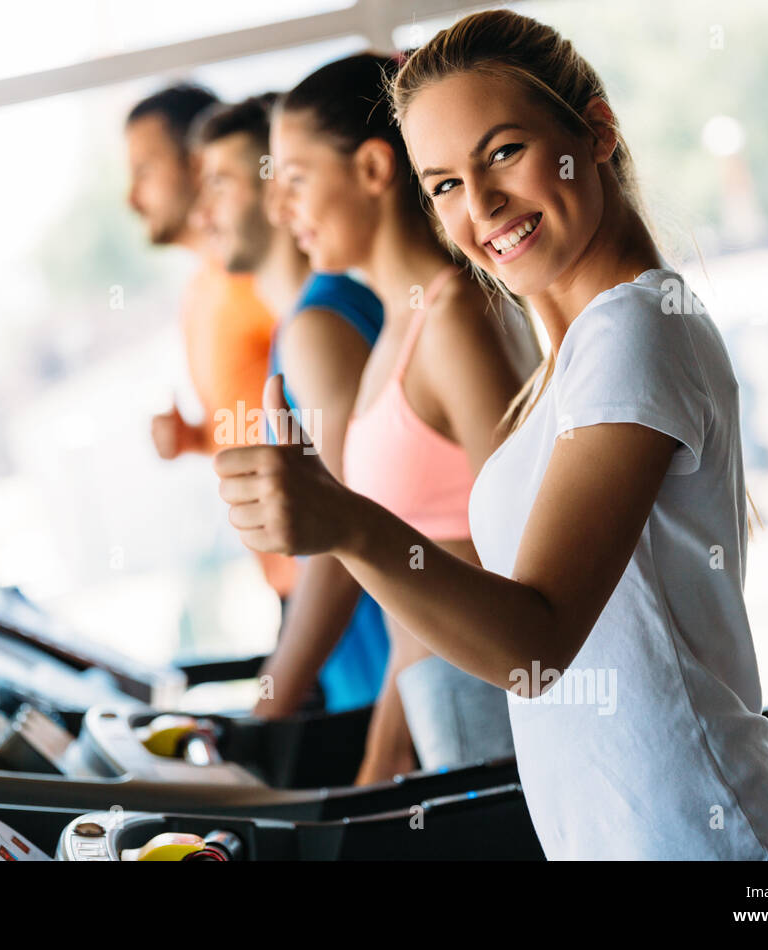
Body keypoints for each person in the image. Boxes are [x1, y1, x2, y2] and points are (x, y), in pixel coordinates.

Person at [212, 10, 768, 859]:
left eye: (503, 153)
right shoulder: (575, 358)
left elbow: (537, 642)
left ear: (594, 130)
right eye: (442, 184)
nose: (479, 207)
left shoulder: (635, 329)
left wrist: (344, 523)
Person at [261, 53, 543, 784]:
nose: (280, 209)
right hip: (436, 708)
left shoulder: (454, 320)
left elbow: (523, 553)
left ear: (374, 170)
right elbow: (415, 588)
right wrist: (384, 751)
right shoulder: (398, 324)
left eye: (295, 180)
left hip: (495, 714)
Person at [187, 93, 389, 713]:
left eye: (222, 185)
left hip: (393, 694)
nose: (205, 212)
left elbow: (343, 538)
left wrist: (268, 707)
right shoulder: (300, 325)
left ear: (277, 195)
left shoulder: (317, 327)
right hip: (373, 687)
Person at [124, 84, 296, 602]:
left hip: (334, 579)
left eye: (144, 171)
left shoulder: (267, 275)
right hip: (286, 579)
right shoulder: (200, 291)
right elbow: (264, 415)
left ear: (194, 163)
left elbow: (332, 410)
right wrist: (195, 437)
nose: (132, 198)